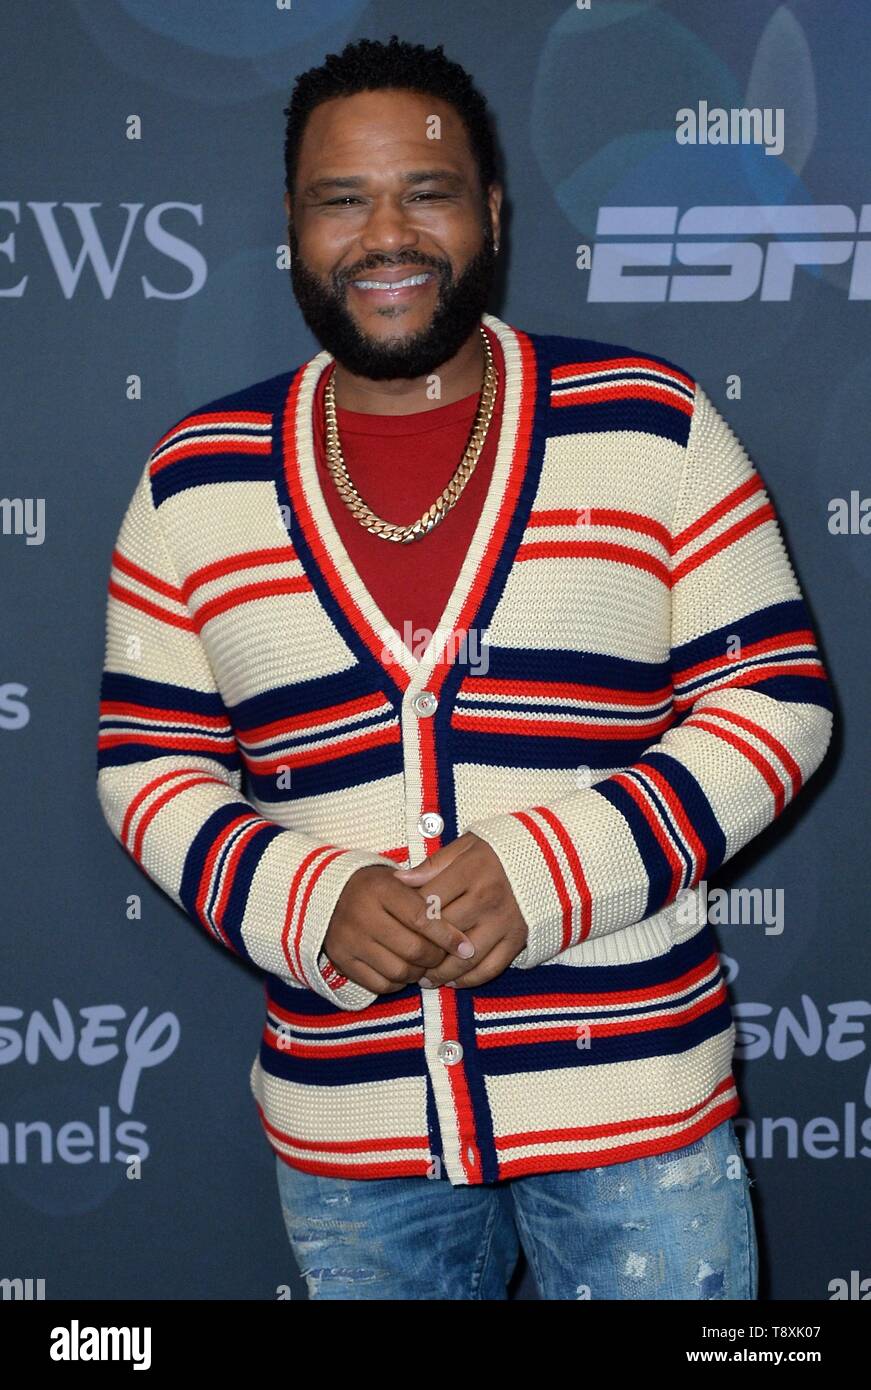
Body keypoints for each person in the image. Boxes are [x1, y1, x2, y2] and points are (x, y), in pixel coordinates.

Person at [96, 35, 833, 1300]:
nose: (387, 234)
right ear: (291, 223)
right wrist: (306, 898)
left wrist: (552, 869)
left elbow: (776, 700)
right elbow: (145, 767)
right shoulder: (192, 480)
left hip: (635, 1113)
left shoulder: (648, 423)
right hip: (355, 1134)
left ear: (489, 211)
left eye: (425, 192)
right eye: (343, 199)